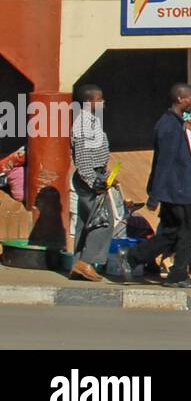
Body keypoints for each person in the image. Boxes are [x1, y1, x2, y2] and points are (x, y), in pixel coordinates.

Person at [125, 84, 191, 288]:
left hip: (182, 189)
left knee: (172, 232)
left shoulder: (176, 124)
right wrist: (155, 196)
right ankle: (178, 274)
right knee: (187, 232)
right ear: (180, 99)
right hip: (177, 191)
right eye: (190, 98)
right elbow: (164, 162)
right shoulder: (169, 126)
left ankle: (136, 255)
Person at [69, 84, 111, 282]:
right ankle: (85, 262)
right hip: (91, 178)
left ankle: (78, 264)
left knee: (86, 222)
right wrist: (92, 181)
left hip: (95, 176)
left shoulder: (92, 121)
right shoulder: (84, 124)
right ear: (88, 102)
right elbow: (83, 157)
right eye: (99, 99)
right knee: (103, 222)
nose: (103, 102)